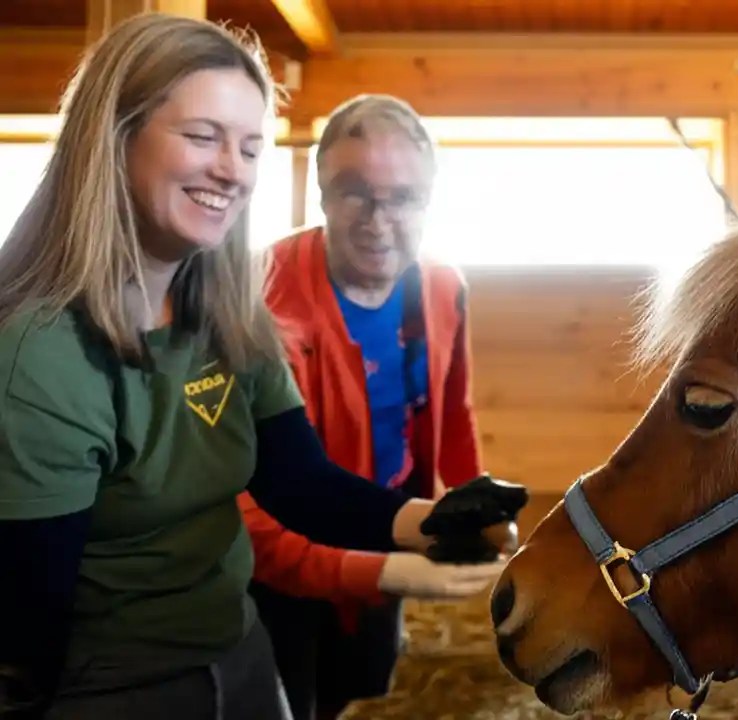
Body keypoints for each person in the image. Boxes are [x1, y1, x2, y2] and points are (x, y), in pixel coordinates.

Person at [0, 14, 504, 720]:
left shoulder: (229, 309)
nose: (232, 170)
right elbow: (28, 629)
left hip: (235, 649)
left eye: (249, 147)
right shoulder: (43, 356)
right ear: (113, 139)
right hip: (115, 684)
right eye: (202, 137)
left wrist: (436, 520)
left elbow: (297, 481)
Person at [240, 93, 496, 720]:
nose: (378, 220)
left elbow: (452, 408)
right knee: (283, 694)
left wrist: (474, 506)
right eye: (355, 192)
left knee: (352, 687)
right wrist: (386, 568)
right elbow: (255, 502)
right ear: (322, 194)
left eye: (402, 197)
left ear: (429, 200)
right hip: (283, 552)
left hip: (391, 520)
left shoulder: (442, 287)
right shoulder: (257, 300)